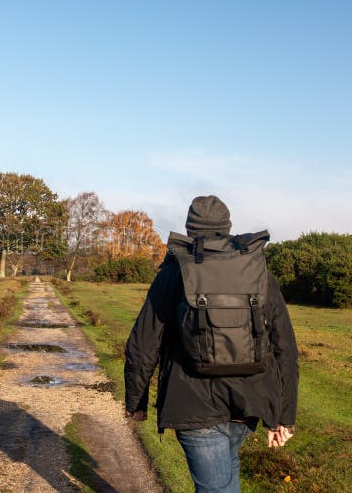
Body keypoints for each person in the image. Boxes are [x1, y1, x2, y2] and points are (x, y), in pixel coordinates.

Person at [124, 195, 298, 493]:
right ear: (227, 226)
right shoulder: (258, 273)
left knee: (218, 488)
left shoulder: (175, 272)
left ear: (190, 228)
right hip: (249, 402)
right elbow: (285, 348)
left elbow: (143, 343)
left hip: (194, 404)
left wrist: (136, 401)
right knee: (226, 480)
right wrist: (285, 417)